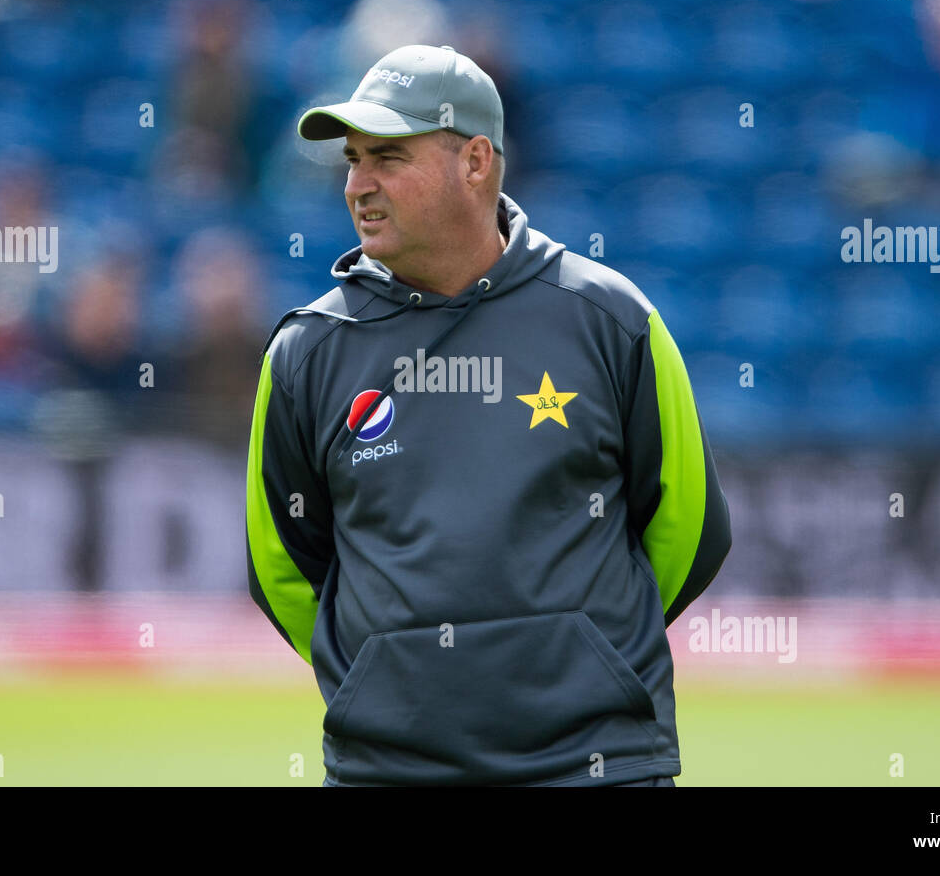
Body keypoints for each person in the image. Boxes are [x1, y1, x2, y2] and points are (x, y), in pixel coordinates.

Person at [245, 44, 731, 786]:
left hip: (595, 766)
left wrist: (581, 651)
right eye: (351, 159)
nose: (357, 185)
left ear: (476, 162)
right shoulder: (307, 352)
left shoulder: (611, 320)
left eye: (388, 158)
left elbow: (688, 529)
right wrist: (386, 674)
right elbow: (284, 563)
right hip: (390, 769)